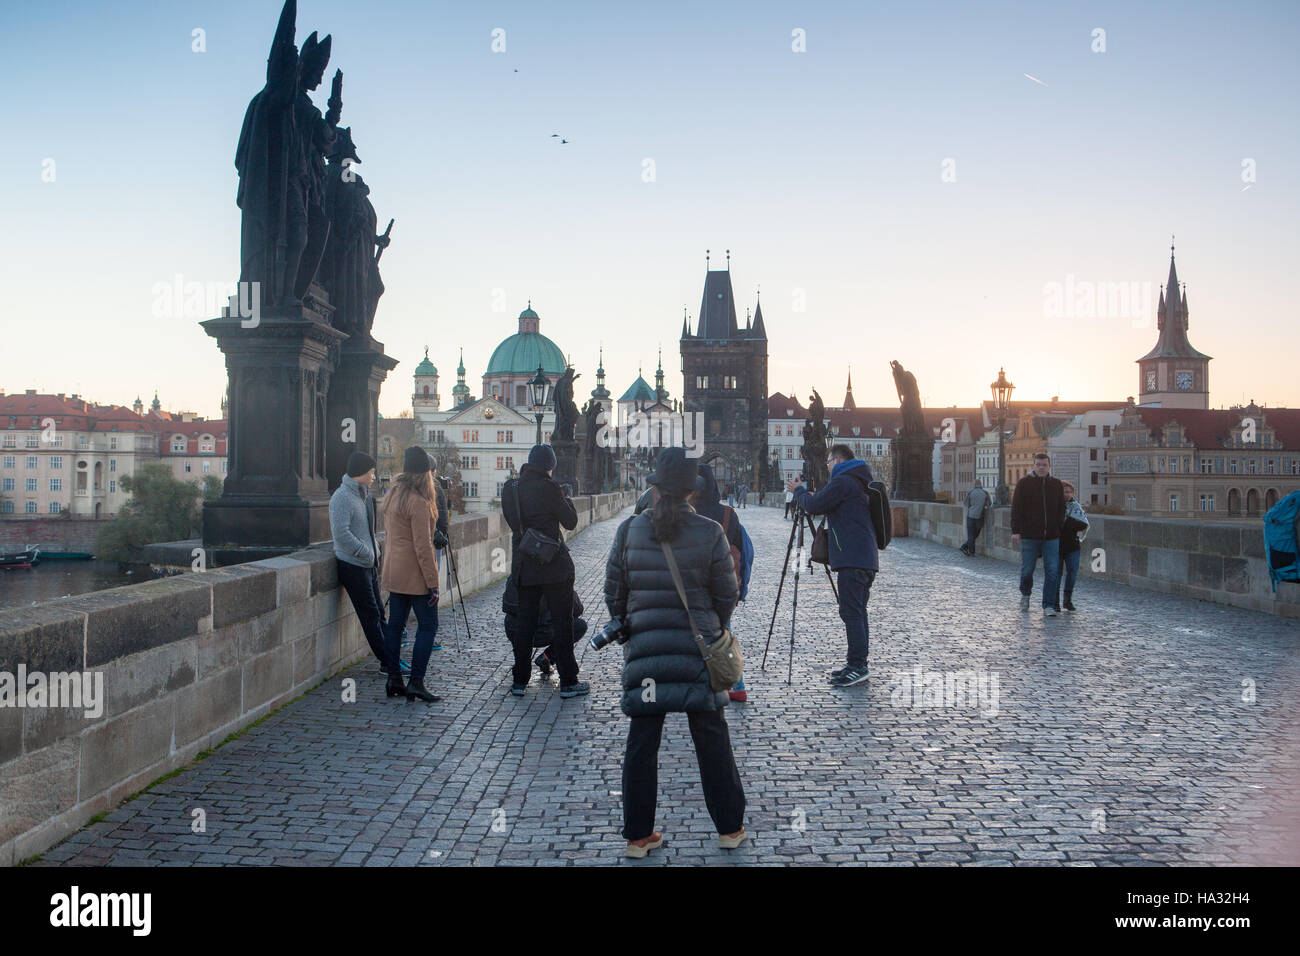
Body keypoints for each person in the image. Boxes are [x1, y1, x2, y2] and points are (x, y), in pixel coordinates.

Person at [606, 446, 746, 858]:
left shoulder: (629, 531)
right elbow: (727, 595)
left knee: (643, 740)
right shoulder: (709, 531)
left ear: (655, 488)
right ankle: (729, 828)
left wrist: (635, 625)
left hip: (647, 653)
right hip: (697, 652)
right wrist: (710, 625)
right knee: (712, 739)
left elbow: (614, 593)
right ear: (691, 492)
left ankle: (637, 836)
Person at [787, 443, 878, 687]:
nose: (827, 467)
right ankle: (856, 664)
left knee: (852, 612)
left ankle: (858, 666)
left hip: (853, 558)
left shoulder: (844, 481)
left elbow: (814, 505)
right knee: (856, 611)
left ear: (837, 461)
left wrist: (799, 492)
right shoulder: (858, 481)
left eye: (828, 462)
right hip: (862, 557)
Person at [502, 444, 587, 698]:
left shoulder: (511, 489)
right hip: (554, 568)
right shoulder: (551, 488)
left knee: (525, 623)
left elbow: (514, 523)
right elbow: (570, 522)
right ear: (550, 467)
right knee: (563, 624)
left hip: (524, 566)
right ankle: (569, 682)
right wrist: (566, 500)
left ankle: (519, 681)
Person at [379, 447, 443, 702]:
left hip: (395, 572)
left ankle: (394, 679)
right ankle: (416, 681)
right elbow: (423, 546)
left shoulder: (394, 494)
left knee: (395, 627)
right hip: (415, 576)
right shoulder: (418, 502)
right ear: (425, 474)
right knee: (428, 626)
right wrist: (433, 582)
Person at [693, 463, 751, 703]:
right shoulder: (728, 514)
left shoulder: (686, 511)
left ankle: (697, 684)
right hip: (722, 585)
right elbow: (743, 552)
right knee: (722, 633)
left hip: (692, 584)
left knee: (689, 634)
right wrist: (741, 587)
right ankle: (736, 686)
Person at [329, 452, 391, 674]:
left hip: (368, 564)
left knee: (379, 612)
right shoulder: (341, 497)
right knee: (371, 615)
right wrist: (365, 552)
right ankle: (388, 662)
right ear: (361, 472)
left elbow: (366, 529)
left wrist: (375, 548)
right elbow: (341, 534)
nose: (374, 476)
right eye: (371, 472)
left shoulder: (362, 495)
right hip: (353, 566)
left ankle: (390, 658)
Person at [1010, 452, 1067, 617]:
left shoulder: (1056, 484)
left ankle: (1048, 605)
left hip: (1051, 536)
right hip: (1029, 535)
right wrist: (1016, 531)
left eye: (1044, 465)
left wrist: (1058, 526)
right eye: (1038, 464)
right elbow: (1016, 508)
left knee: (1052, 570)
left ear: (1049, 466)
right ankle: (1026, 595)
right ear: (1034, 466)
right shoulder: (1024, 483)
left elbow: (1061, 508)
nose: (1041, 467)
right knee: (1027, 570)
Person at [1056, 480, 1090, 612]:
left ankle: (1067, 600)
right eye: (1065, 492)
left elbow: (1083, 524)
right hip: (1057, 545)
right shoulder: (1055, 507)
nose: (1067, 494)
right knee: (1056, 574)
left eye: (1070, 492)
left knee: (1072, 572)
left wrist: (1068, 523)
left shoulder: (1076, 507)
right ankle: (1055, 602)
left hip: (1073, 545)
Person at [960, 481, 991, 556]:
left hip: (970, 516)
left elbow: (965, 503)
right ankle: (965, 547)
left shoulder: (971, 492)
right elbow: (989, 504)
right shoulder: (985, 493)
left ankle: (970, 551)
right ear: (981, 485)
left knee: (970, 534)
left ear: (974, 485)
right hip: (979, 517)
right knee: (976, 534)